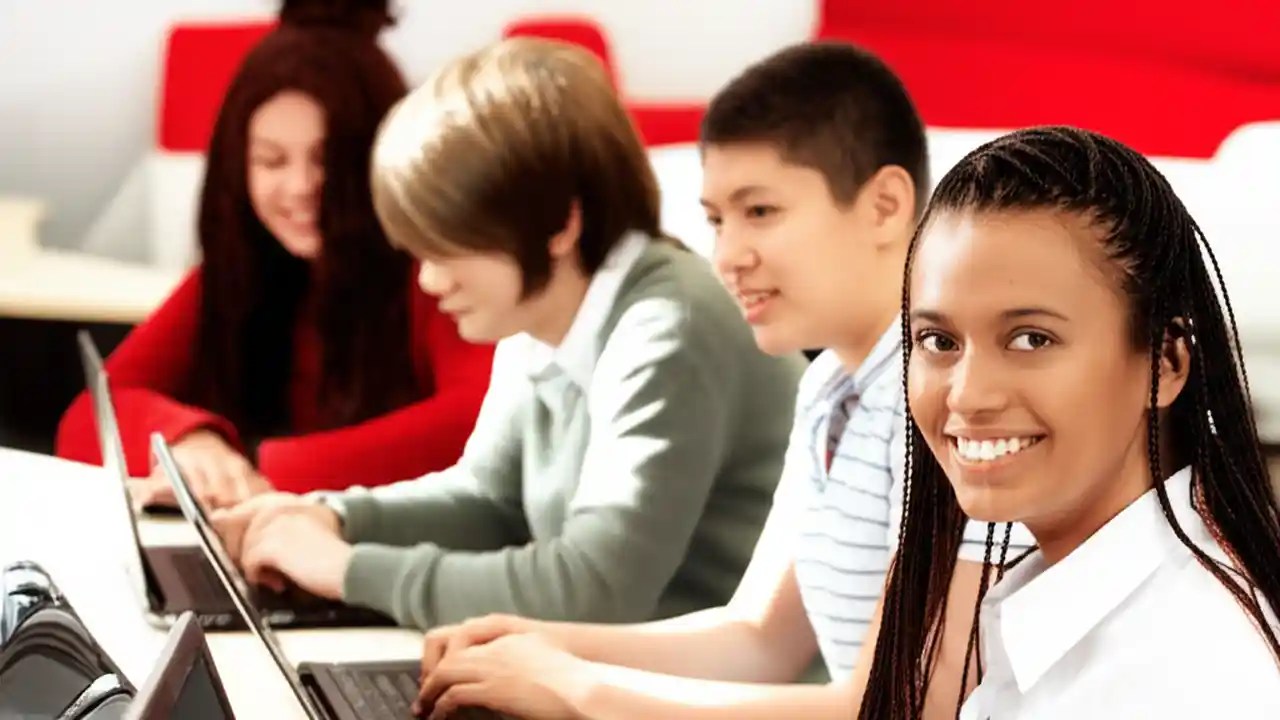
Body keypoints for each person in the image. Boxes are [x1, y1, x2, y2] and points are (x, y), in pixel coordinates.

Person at [407, 41, 1031, 720]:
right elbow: (758, 638)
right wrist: (535, 643)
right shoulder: (831, 389)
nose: (728, 256)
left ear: (884, 205)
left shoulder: (956, 407)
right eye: (714, 219)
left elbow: (890, 707)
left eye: (759, 211)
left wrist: (577, 691)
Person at [208, 38, 806, 634]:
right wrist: (331, 518)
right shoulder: (542, 313)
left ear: (558, 224)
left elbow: (593, 589)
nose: (431, 280)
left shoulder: (669, 328)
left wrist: (346, 569)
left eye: (450, 248)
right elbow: (491, 504)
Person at [857, 126, 1280, 718]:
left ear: (1166, 361)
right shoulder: (1056, 611)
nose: (969, 395)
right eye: (938, 340)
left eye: (1031, 338)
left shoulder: (1194, 670)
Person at [55, 0, 493, 508]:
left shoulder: (433, 269)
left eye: (327, 159)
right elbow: (88, 419)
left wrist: (260, 470)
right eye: (270, 160)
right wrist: (189, 441)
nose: (300, 187)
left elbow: (477, 422)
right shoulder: (238, 266)